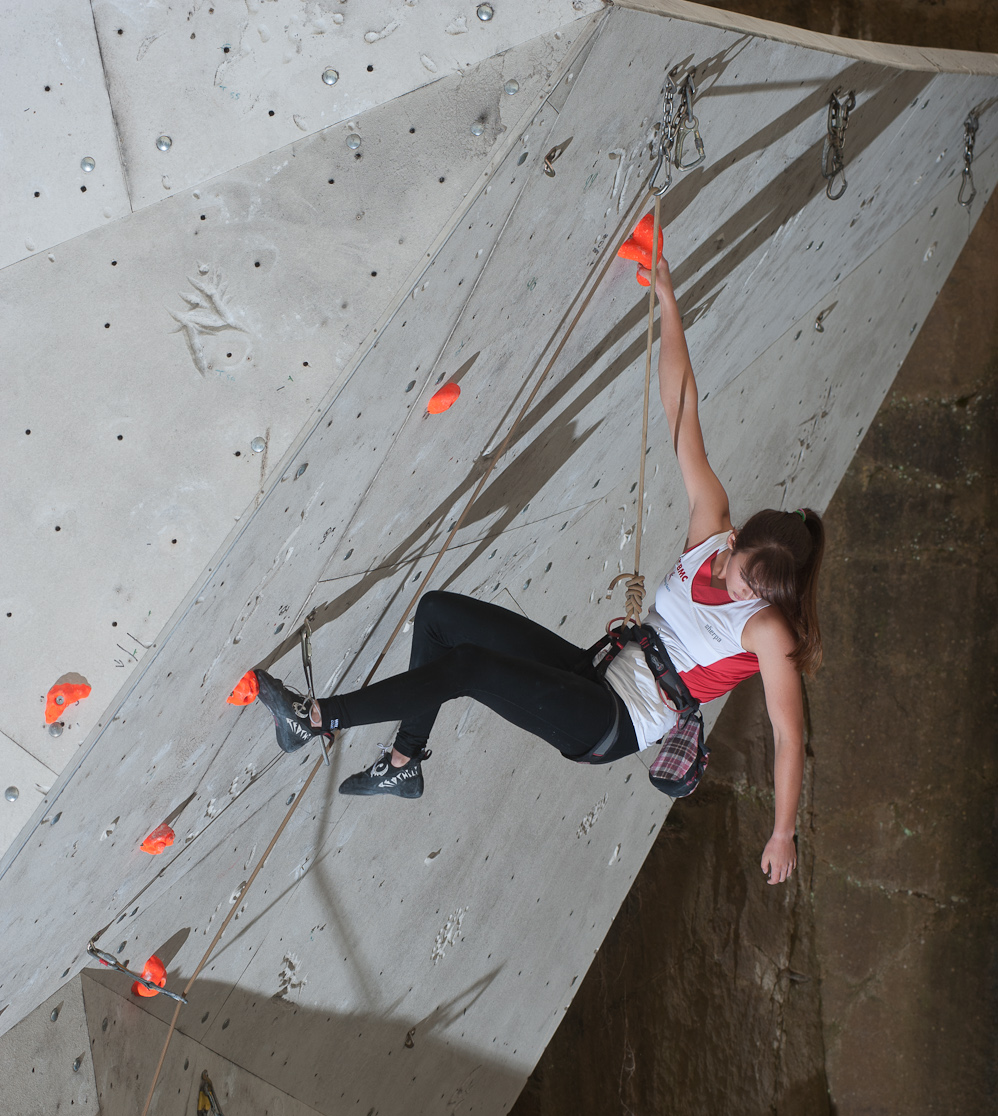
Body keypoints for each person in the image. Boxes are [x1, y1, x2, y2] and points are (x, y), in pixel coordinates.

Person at [255, 257, 824, 885]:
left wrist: (781, 831)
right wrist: (667, 301)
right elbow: (681, 408)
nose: (745, 594)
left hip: (616, 721)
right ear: (738, 539)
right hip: (594, 670)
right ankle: (403, 761)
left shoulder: (768, 630)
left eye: (762, 594)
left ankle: (315, 720)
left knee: (467, 668)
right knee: (440, 616)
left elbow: (788, 734)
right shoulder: (710, 525)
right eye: (747, 575)